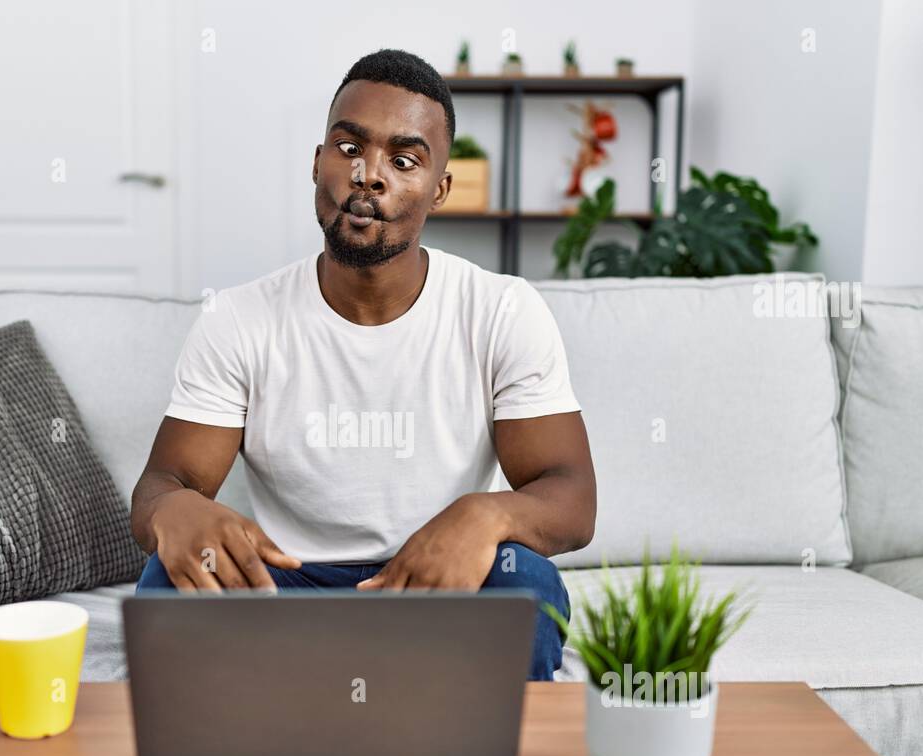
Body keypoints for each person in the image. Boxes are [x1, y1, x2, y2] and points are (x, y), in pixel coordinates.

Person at [131, 48, 597, 680]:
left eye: (403, 160)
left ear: (440, 189)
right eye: (349, 148)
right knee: (166, 579)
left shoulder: (502, 310)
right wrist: (171, 511)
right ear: (318, 162)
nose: (368, 176)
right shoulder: (238, 319)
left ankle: (429, 740)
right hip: (287, 586)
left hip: (438, 583)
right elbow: (161, 485)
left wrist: (486, 515)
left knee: (528, 589)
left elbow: (572, 499)